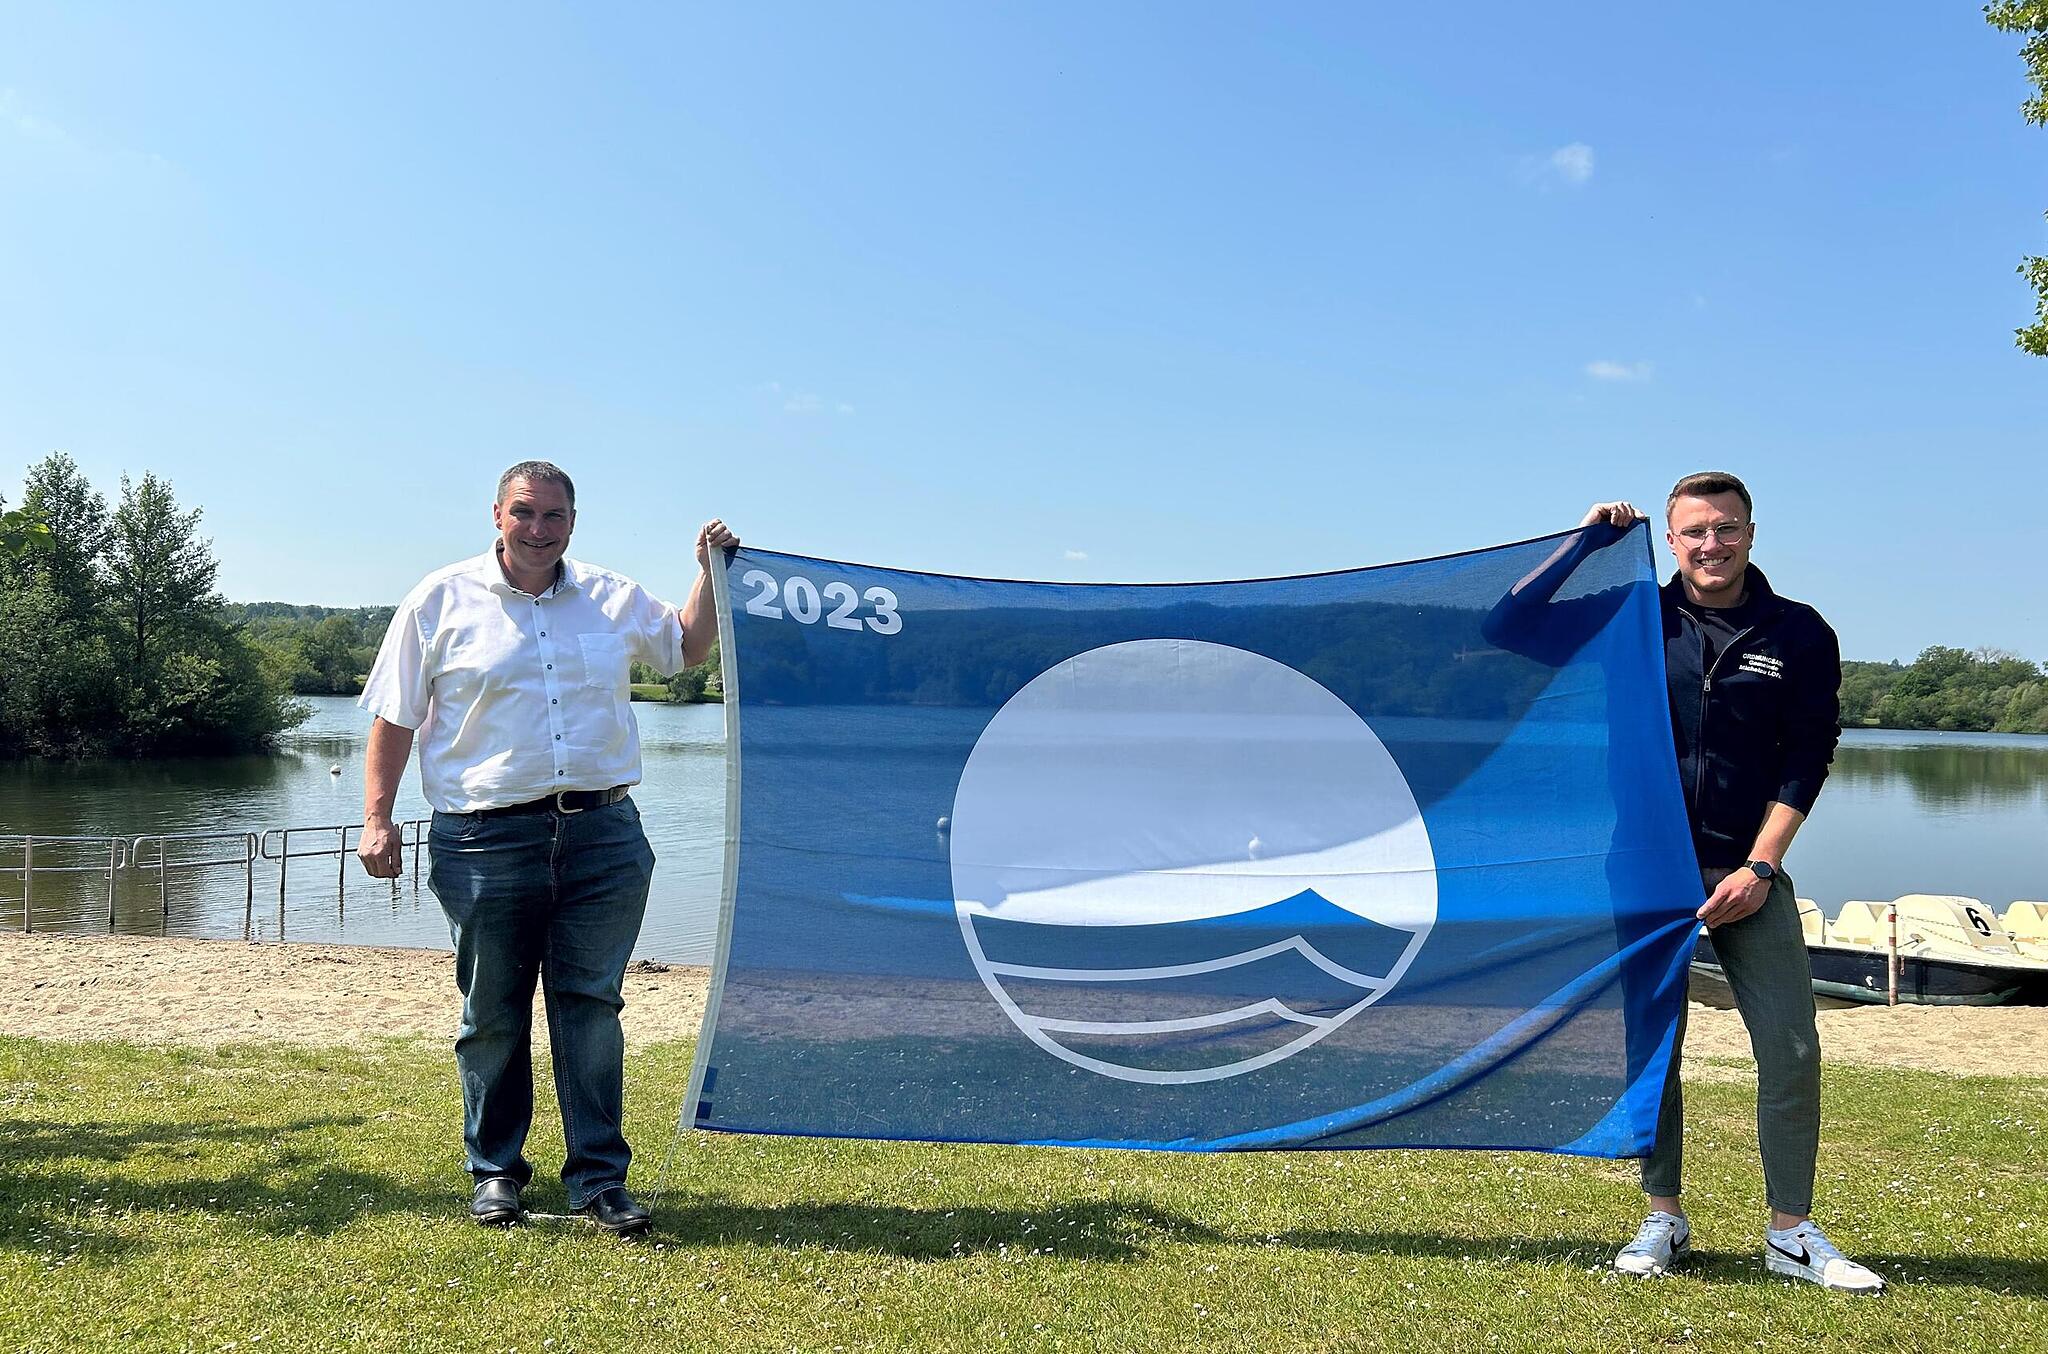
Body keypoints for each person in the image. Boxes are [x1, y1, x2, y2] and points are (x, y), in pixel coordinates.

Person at [355, 459, 736, 1235]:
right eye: (524, 513)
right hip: (485, 838)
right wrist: (377, 817)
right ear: (497, 514)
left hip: (604, 835)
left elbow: (685, 650)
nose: (539, 529)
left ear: (572, 521)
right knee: (493, 1013)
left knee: (590, 1009)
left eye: (554, 515)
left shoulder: (610, 596)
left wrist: (706, 573)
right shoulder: (438, 599)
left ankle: (599, 1181)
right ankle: (496, 1173)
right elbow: (394, 718)